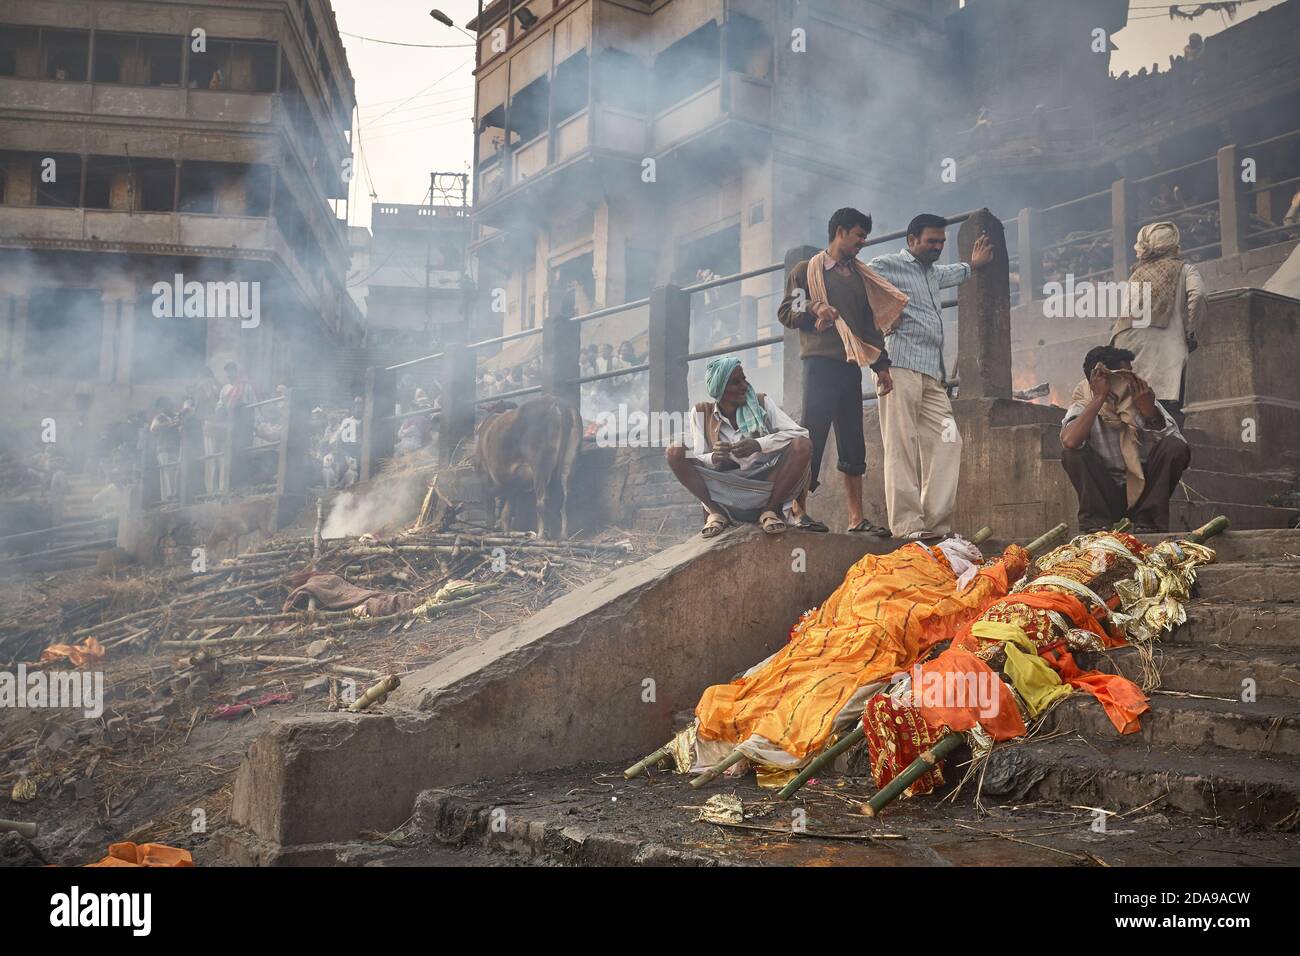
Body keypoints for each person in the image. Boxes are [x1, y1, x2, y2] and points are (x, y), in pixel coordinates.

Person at [778, 207, 905, 535]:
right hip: (819, 363)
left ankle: (855, 519)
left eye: (864, 236)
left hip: (851, 364)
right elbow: (787, 311)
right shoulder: (806, 271)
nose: (862, 242)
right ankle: (798, 510)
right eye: (859, 235)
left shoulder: (861, 279)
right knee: (813, 436)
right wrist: (813, 308)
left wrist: (882, 367)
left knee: (853, 440)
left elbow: (868, 326)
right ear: (840, 233)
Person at [867, 213, 994, 540]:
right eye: (931, 242)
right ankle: (907, 526)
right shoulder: (887, 265)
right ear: (911, 241)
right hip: (897, 365)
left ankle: (935, 525)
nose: (937, 247)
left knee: (949, 440)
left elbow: (953, 273)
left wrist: (974, 265)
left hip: (931, 374)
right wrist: (882, 317)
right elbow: (857, 280)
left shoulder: (933, 273)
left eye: (941, 242)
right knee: (901, 445)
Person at [666, 357, 811, 537]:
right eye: (735, 382)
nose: (743, 386)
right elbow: (699, 456)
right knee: (674, 451)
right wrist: (714, 457)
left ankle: (770, 511)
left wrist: (759, 444)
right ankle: (716, 512)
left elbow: (801, 434)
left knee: (802, 446)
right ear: (719, 389)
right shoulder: (701, 412)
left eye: (744, 379)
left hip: (765, 480)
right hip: (726, 485)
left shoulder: (762, 403)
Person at [1060, 345, 1190, 533]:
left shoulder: (1141, 399)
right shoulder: (1084, 404)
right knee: (1072, 454)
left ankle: (1149, 520)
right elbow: (1070, 441)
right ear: (1102, 378)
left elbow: (1178, 446)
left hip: (1144, 489)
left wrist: (1150, 413)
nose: (1133, 380)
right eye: (1125, 375)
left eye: (1132, 373)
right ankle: (1096, 523)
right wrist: (1099, 398)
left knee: (1174, 447)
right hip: (1107, 492)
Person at [1109, 221, 1206, 429]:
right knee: (1167, 402)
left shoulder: (1136, 274)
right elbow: (1198, 296)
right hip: (1166, 344)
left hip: (1127, 343)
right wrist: (1191, 332)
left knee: (1134, 399)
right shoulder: (1185, 269)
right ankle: (1170, 447)